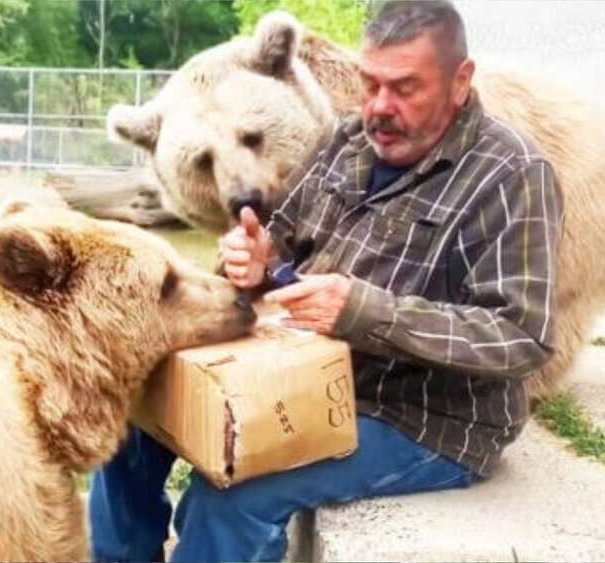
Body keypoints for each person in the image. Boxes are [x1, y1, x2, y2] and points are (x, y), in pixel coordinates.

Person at [89, 1, 564, 561]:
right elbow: (281, 243)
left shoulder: (512, 176)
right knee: (130, 427)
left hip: (421, 417)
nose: (380, 109)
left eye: (405, 88)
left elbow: (521, 338)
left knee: (237, 491)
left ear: (461, 81)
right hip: (308, 371)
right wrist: (256, 264)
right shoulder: (348, 141)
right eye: (371, 84)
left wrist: (364, 311)